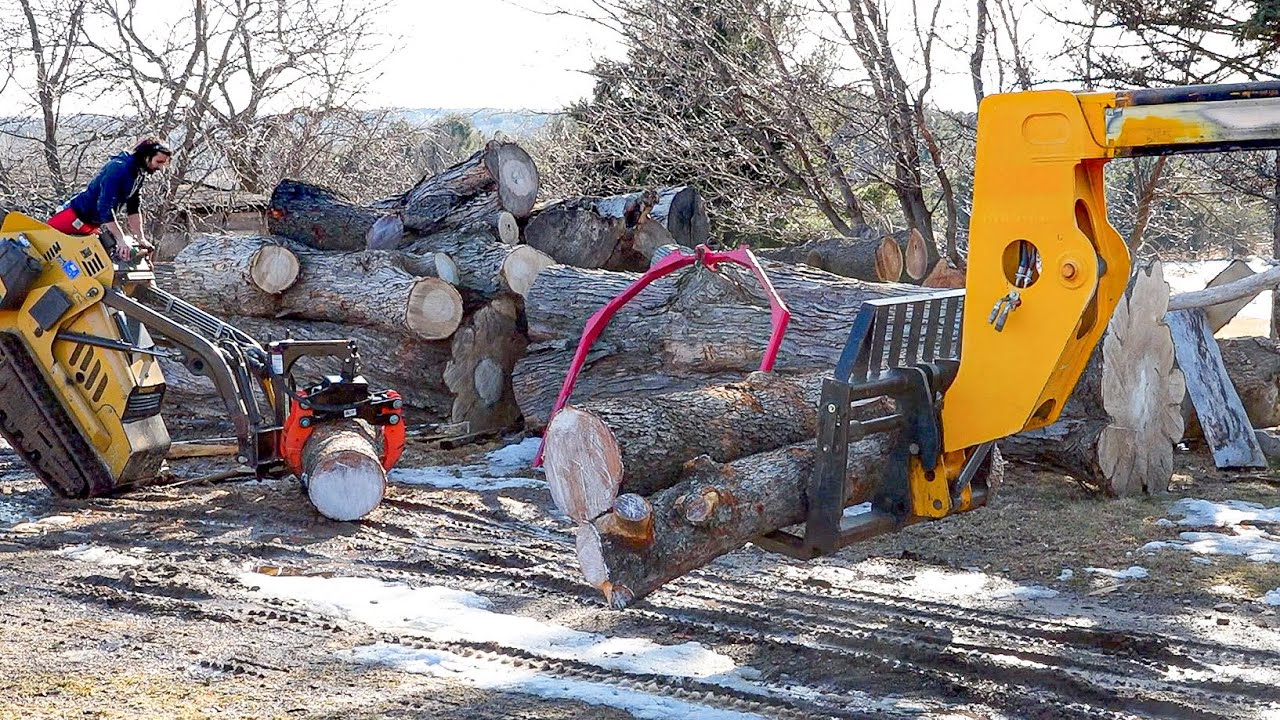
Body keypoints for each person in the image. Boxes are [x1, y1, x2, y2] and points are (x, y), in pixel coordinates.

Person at [47, 137, 172, 262]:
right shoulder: (118, 168)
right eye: (159, 162)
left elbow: (133, 207)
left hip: (90, 225)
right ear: (147, 156)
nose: (160, 167)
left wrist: (141, 238)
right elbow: (105, 207)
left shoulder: (138, 173)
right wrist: (120, 239)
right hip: (71, 218)